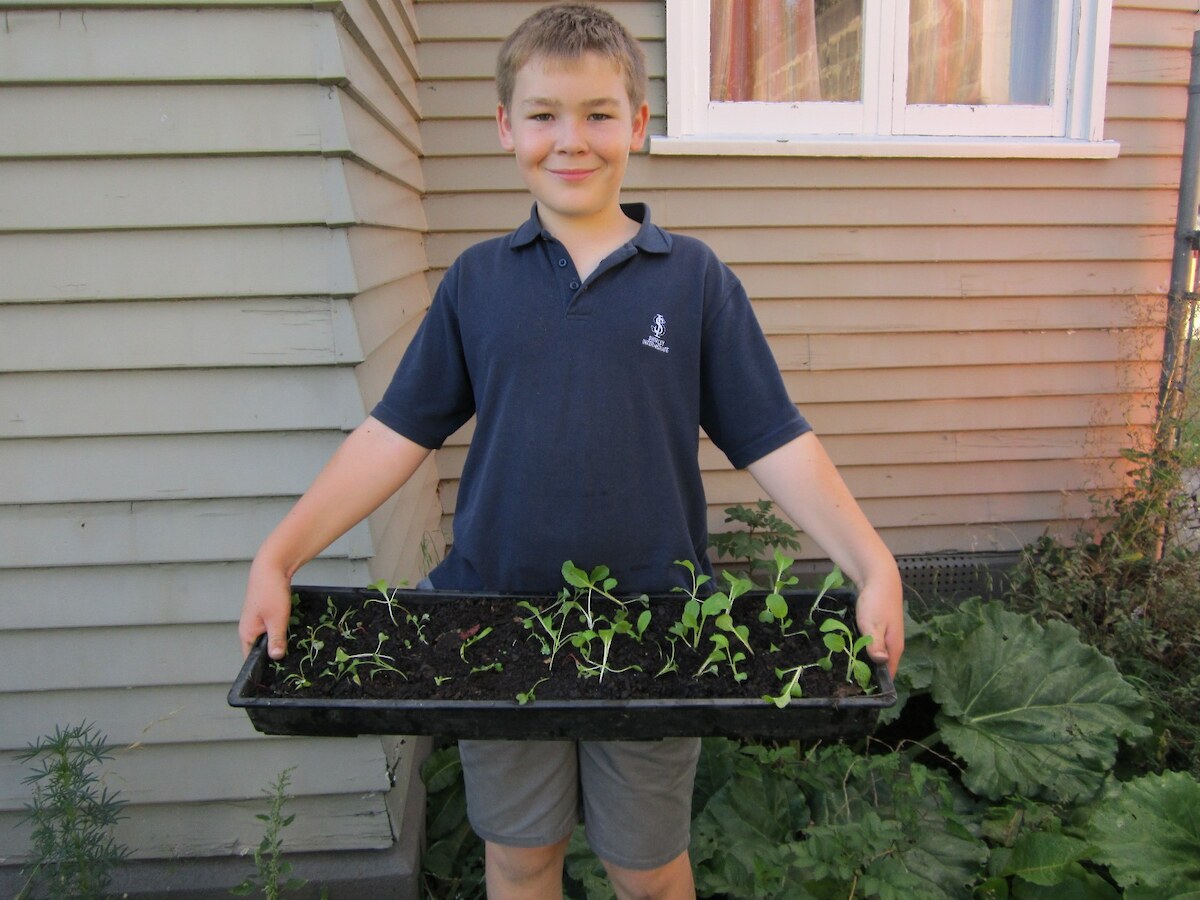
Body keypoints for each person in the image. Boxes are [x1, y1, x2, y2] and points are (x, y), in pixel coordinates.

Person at [238, 4, 904, 898]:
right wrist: (281, 554)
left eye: (597, 114)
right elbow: (394, 435)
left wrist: (872, 562)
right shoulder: (477, 280)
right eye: (544, 114)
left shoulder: (695, 277)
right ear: (506, 127)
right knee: (520, 860)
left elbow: (773, 438)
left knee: (649, 871)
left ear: (636, 123)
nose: (571, 139)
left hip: (658, 632)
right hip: (493, 629)